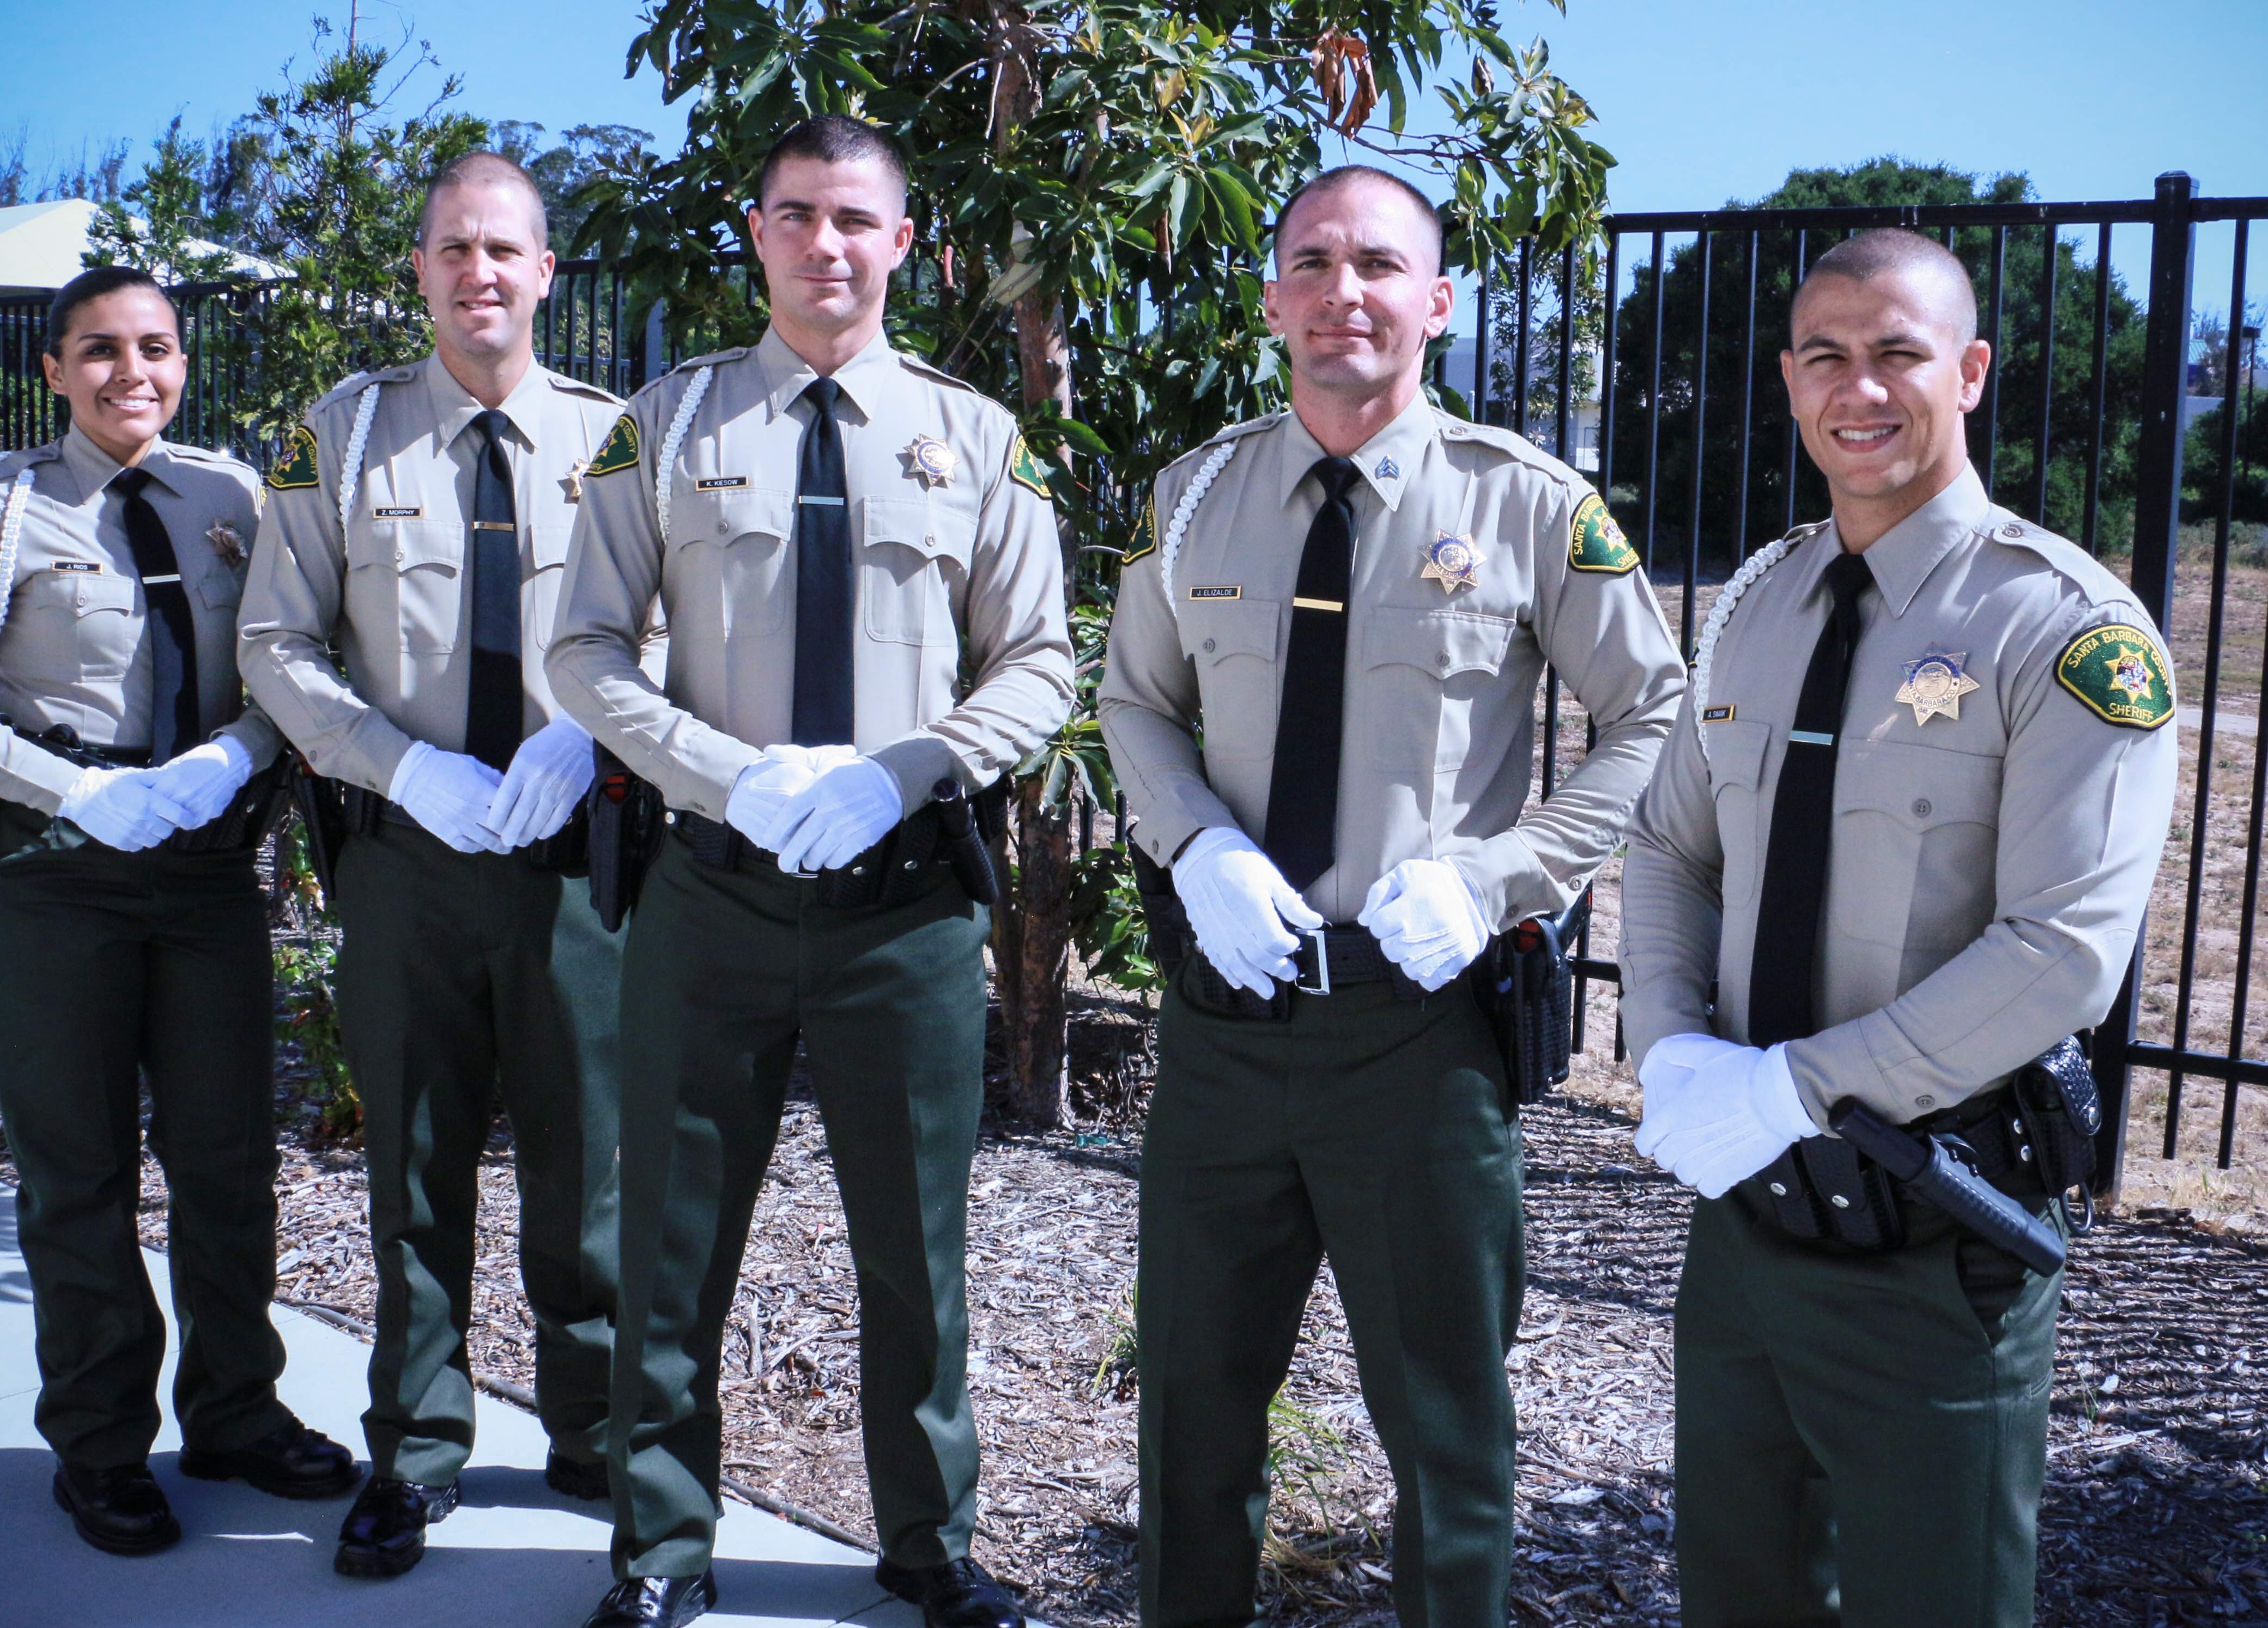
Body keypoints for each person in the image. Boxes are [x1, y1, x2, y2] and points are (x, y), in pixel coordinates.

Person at [1097, 166, 1686, 1628]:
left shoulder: (1527, 503)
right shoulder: (1192, 503)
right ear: (1271, 296)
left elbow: (1655, 717)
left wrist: (1498, 877)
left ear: (1435, 300)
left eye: (1378, 264)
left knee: (1445, 1432)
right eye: (1311, 261)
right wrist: (1197, 846)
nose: (1341, 290)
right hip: (1226, 1023)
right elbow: (1133, 702)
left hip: (1419, 1036)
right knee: (1190, 1409)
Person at [545, 114, 1072, 1628]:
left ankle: (925, 1540)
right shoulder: (669, 423)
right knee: (670, 1233)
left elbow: (1038, 661)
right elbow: (583, 648)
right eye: (796, 216)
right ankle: (657, 1545)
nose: (826, 245)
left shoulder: (974, 437)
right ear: (757, 230)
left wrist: (898, 772)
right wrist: (730, 774)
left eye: (856, 219)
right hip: (711, 884)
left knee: (915, 1243)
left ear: (901, 243)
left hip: (900, 900)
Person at [1618, 228, 2178, 1627]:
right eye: (1825, 357)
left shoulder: (2062, 630)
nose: (1857, 388)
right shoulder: (1760, 601)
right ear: (1793, 383)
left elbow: (2062, 950)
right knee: (1734, 1598)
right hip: (1746, 1237)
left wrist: (1793, 1086)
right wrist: (1672, 1047)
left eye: (1897, 354)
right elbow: (1672, 839)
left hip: (1934, 1245)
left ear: (1972, 372)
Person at [0, 264, 356, 1557]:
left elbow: (287, 662)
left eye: (155, 348)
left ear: (182, 361)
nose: (131, 373)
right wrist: (69, 788)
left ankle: (236, 1412)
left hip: (198, 866)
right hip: (47, 876)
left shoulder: (232, 496)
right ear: (54, 370)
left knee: (227, 1159)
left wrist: (239, 758)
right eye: (99, 351)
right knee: (78, 1172)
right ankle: (98, 1446)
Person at [238, 151, 645, 1579]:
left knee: (583, 1161)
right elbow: (273, 644)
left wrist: (585, 742)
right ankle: (413, 1452)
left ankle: (595, 1432)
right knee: (412, 1161)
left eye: (505, 251)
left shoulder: (615, 441)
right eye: (453, 249)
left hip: (573, 866)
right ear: (420, 271)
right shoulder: (339, 440)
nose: (480, 273)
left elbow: (668, 627)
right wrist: (392, 761)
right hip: (407, 859)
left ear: (545, 274)